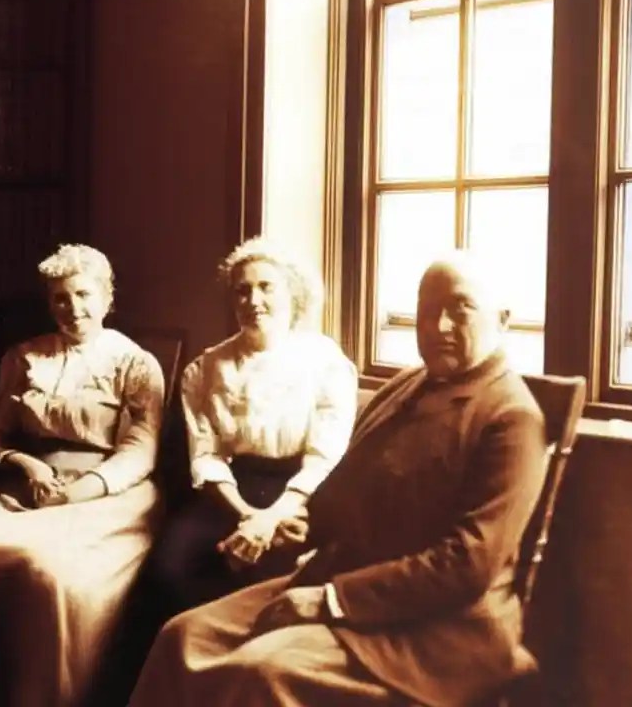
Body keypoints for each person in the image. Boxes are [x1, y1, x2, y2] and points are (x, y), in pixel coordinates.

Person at [130, 251, 549, 707]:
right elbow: (344, 489)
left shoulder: (512, 418)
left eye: (460, 308)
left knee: (259, 672)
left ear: (502, 319)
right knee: (182, 634)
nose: (440, 327)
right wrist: (295, 527)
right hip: (344, 578)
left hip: (434, 630)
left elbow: (467, 565)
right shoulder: (406, 386)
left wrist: (329, 599)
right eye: (427, 311)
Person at [0, 244, 166, 706]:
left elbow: (139, 451)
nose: (73, 309)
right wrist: (25, 463)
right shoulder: (25, 357)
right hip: (27, 487)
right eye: (60, 298)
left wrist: (74, 494)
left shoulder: (135, 364)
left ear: (107, 298)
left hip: (108, 497)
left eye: (84, 294)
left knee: (55, 577)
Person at [151, 238, 357, 612]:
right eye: (242, 291)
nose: (253, 300)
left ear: (292, 294)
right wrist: (247, 515)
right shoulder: (205, 368)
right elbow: (206, 455)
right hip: (228, 493)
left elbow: (324, 455)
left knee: (271, 581)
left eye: (266, 287)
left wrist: (273, 518)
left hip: (301, 494)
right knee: (170, 570)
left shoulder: (324, 361)